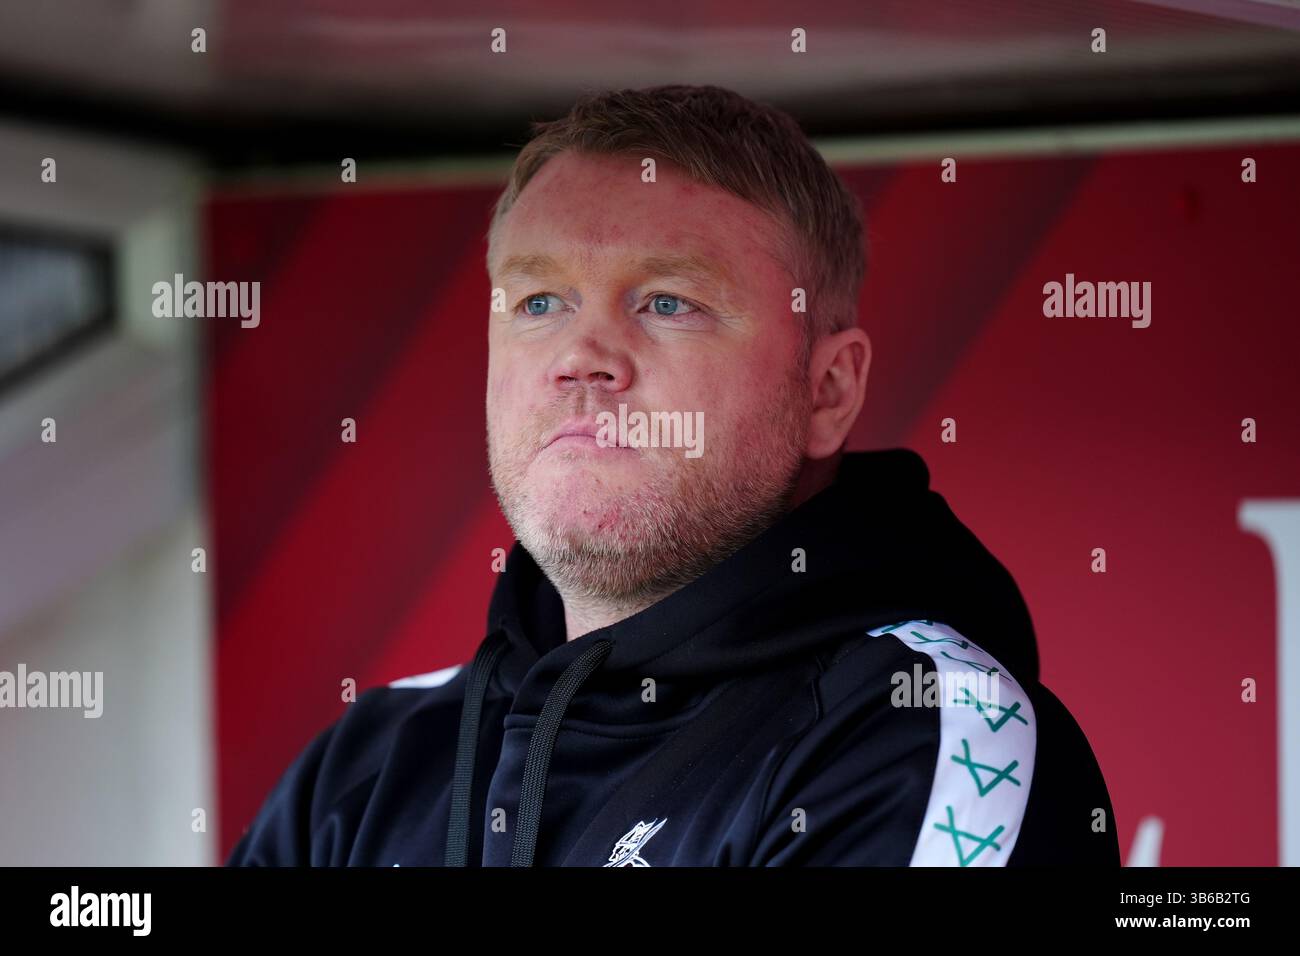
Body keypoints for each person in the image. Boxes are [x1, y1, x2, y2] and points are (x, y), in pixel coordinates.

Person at [227, 84, 1119, 867]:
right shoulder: (369, 762)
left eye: (667, 302)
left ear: (829, 389)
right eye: (540, 301)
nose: (582, 356)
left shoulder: (924, 736)